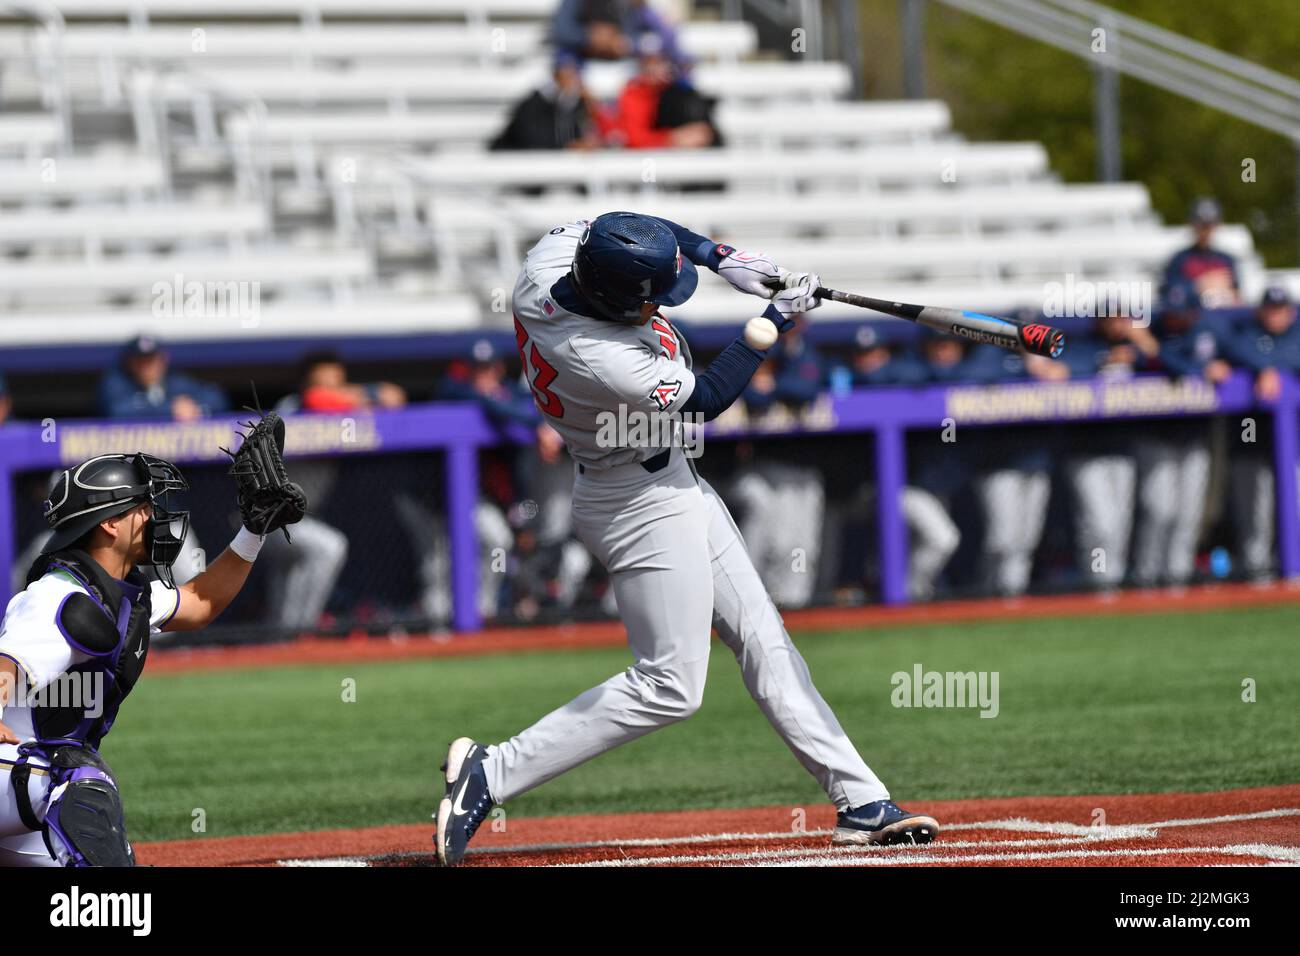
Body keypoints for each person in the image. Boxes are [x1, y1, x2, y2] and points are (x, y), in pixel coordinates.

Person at [434, 212, 939, 866]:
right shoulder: (597, 355)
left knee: (763, 637)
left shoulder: (555, 260)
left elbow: (643, 228)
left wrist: (720, 256)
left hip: (668, 480)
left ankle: (861, 801)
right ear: (619, 298)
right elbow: (705, 400)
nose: (670, 297)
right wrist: (774, 322)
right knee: (670, 684)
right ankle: (493, 770)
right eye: (658, 293)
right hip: (635, 499)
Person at [0, 451, 302, 866]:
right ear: (109, 523)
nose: (156, 515)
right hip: (21, 768)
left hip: (26, 783)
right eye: (144, 507)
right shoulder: (57, 595)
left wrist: (253, 530)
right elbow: (6, 665)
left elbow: (200, 602)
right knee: (82, 780)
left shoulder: (122, 595)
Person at [1220, 286, 1300, 579]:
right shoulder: (1247, 334)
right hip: (1251, 437)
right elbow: (1231, 348)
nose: (1276, 315)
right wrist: (1263, 366)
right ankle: (1256, 571)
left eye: (1281, 309)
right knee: (1256, 507)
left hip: (1295, 442)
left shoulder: (1296, 334)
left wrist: (1273, 368)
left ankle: (1292, 570)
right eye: (1271, 309)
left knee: (1294, 505)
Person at [602, 33, 718, 150]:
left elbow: (704, 133)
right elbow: (634, 140)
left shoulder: (680, 92)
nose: (653, 67)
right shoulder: (633, 93)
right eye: (648, 61)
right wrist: (673, 138)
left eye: (659, 60)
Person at [490, 54, 605, 152]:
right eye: (566, 76)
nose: (572, 83)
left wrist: (593, 107)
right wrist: (568, 146)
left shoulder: (577, 106)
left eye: (574, 76)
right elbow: (531, 140)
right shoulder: (533, 104)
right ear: (555, 78)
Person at [97, 335, 228, 421]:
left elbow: (217, 399)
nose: (147, 368)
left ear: (163, 360)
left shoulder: (176, 382)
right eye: (140, 362)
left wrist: (196, 408)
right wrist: (169, 410)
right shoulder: (118, 383)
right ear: (130, 364)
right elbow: (117, 410)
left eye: (151, 361)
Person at [550, 0, 686, 65]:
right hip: (583, 61)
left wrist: (626, 43)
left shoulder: (635, 5)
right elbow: (561, 30)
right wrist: (589, 37)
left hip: (627, 64)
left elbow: (668, 37)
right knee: (564, 61)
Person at [1161, 197, 1241, 308]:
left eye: (1209, 224)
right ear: (1192, 224)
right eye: (1201, 224)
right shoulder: (1179, 259)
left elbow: (1238, 297)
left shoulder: (1226, 260)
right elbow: (1169, 294)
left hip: (1222, 317)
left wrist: (1227, 293)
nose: (1205, 230)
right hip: (1191, 318)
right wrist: (1199, 285)